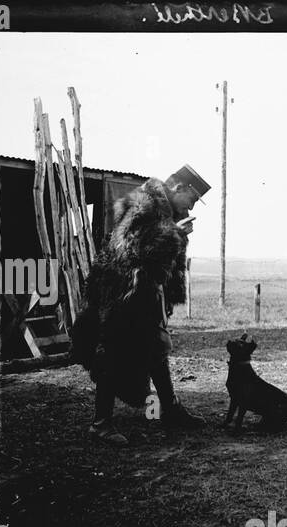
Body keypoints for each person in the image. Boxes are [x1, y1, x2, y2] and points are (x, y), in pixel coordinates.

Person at [71, 164, 211, 446]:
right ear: (178, 188)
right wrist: (174, 233)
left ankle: (168, 410)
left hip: (144, 293)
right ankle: (100, 424)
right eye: (192, 199)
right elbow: (131, 249)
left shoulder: (165, 210)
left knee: (156, 348)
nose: (191, 205)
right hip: (121, 293)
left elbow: (158, 258)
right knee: (111, 353)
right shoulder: (142, 205)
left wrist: (167, 292)